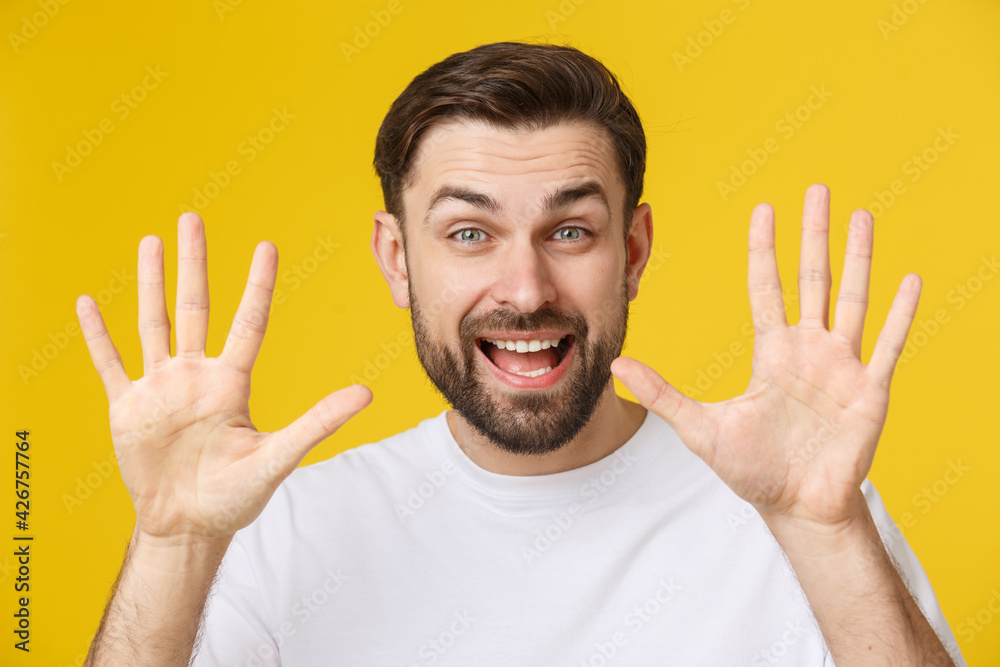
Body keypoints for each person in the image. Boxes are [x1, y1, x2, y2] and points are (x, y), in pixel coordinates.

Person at [78, 42, 965, 666]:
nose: (526, 287)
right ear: (397, 259)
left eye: (570, 229)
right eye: (469, 231)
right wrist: (171, 543)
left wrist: (829, 535)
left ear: (635, 250)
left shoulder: (803, 518)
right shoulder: (284, 533)